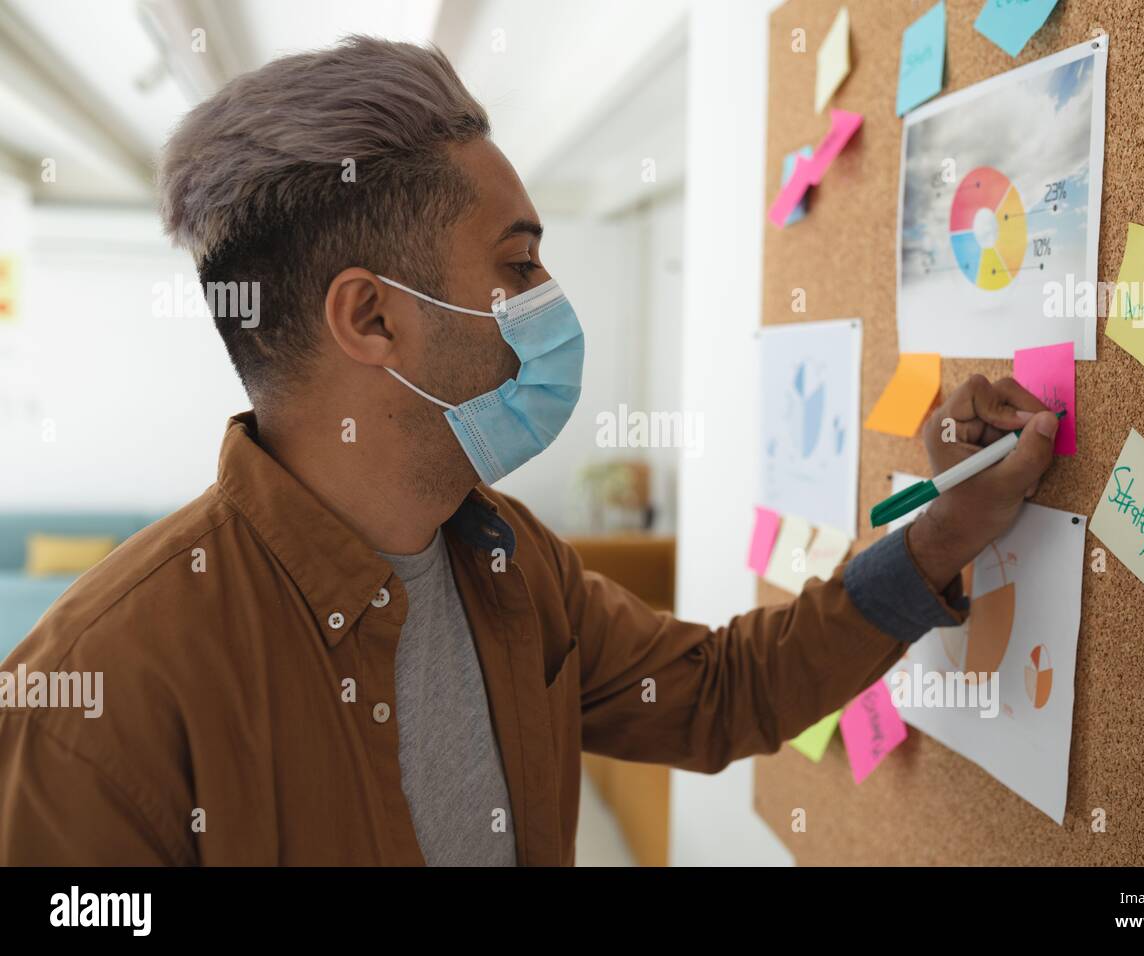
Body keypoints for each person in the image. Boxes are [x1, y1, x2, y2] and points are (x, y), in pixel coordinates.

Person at [0, 38, 1058, 865]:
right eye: (519, 267)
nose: (550, 304)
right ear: (371, 319)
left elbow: (724, 689)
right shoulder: (99, 692)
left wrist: (944, 532)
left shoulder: (510, 564)